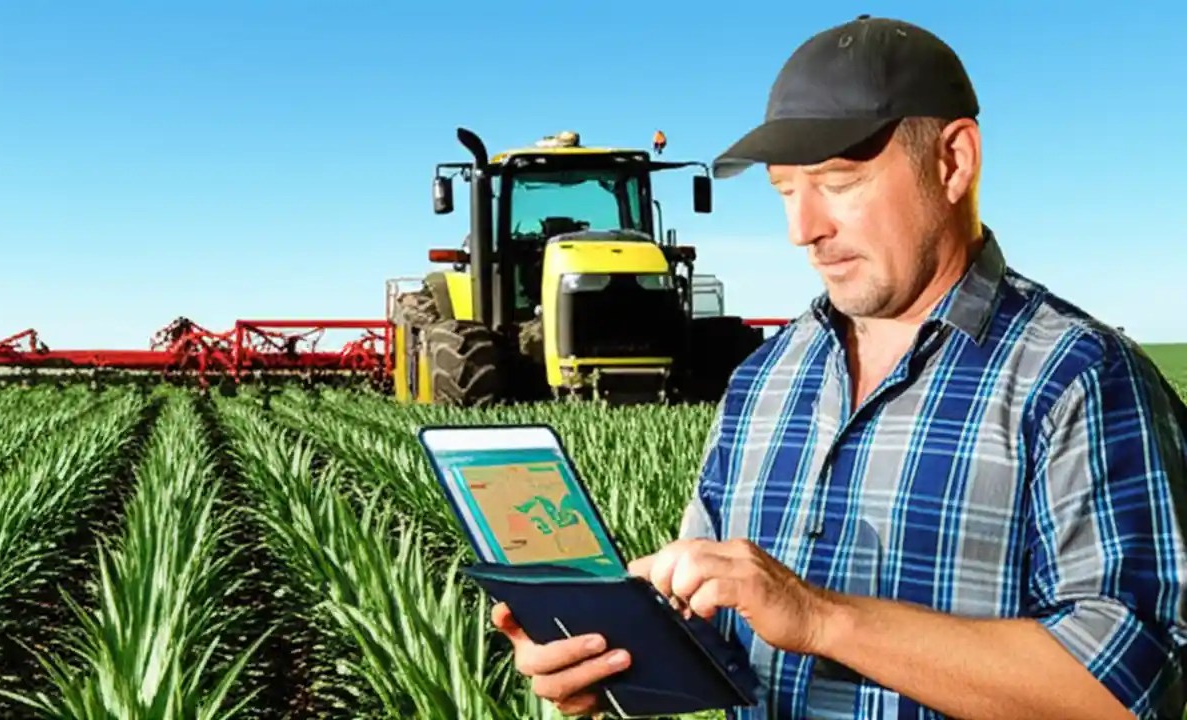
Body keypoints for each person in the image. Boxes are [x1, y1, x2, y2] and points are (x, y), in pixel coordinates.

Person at [491, 14, 1187, 720]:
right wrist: (608, 658)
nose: (804, 230)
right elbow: (712, 626)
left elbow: (1130, 691)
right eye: (784, 191)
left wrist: (821, 619)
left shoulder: (1079, 378)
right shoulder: (761, 380)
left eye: (837, 181)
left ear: (953, 162)